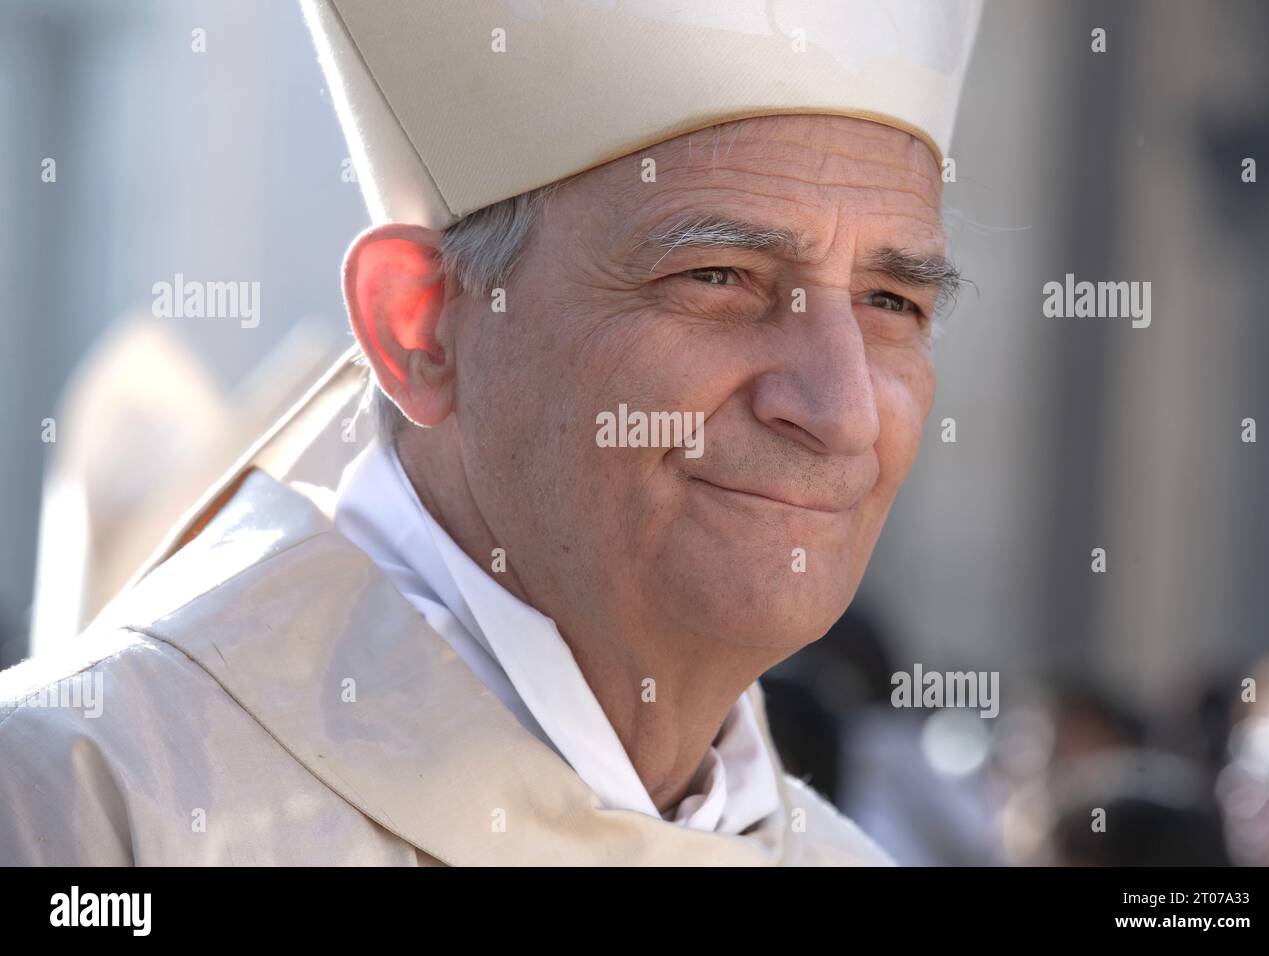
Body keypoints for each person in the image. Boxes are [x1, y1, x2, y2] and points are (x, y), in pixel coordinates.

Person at [0, 0, 982, 865]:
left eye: (892, 301)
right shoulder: (89, 799)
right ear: (420, 324)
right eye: (719, 276)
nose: (841, 408)